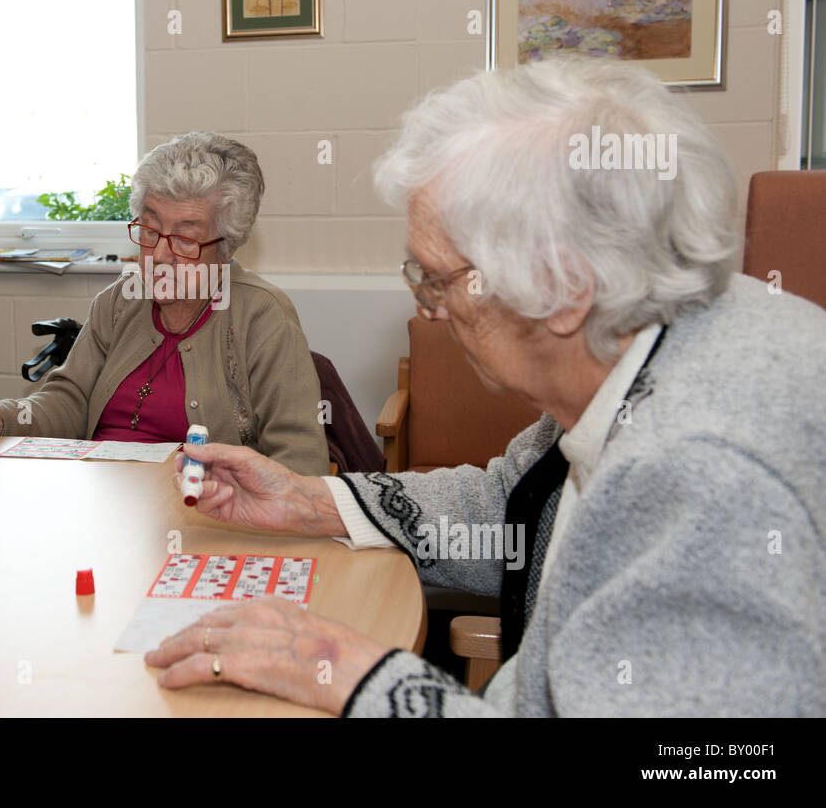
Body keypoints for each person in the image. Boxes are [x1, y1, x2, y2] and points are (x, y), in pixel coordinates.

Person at [144, 59, 826, 716]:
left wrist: (355, 673)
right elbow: (513, 507)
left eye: (436, 278)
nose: (426, 311)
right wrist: (310, 499)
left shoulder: (708, 473)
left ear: (562, 289)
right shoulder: (646, 335)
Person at [0, 132, 330, 475]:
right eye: (150, 230)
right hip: (103, 503)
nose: (161, 255)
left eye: (186, 239)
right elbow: (70, 400)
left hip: (199, 518)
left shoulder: (263, 316)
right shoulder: (121, 300)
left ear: (228, 244)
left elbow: (299, 459)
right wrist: (0, 418)